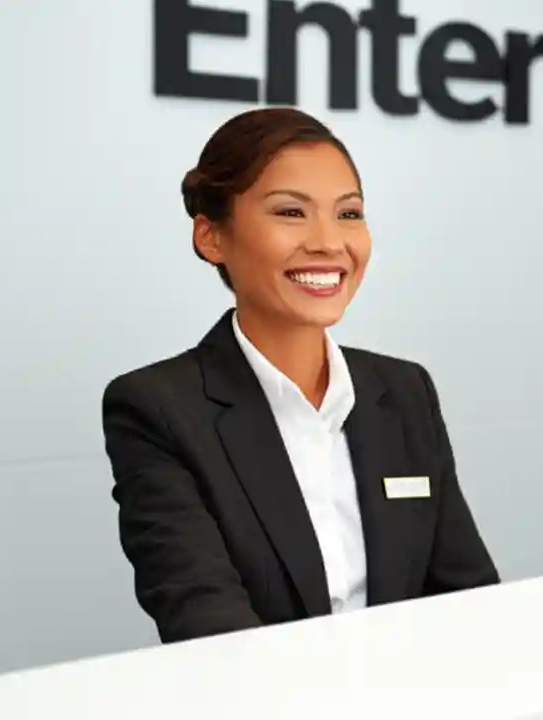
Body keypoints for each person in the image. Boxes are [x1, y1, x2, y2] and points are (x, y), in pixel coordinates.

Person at [102, 108, 498, 644]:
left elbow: (467, 601)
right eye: (291, 212)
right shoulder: (157, 408)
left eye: (349, 214)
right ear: (211, 237)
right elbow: (208, 627)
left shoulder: (403, 391)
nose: (329, 242)